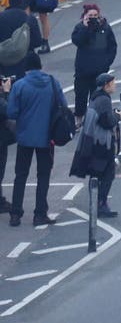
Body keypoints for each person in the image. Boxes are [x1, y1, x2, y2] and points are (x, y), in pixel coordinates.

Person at [6, 51, 68, 226]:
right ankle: (40, 213)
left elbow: (11, 112)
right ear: (40, 66)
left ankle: (15, 214)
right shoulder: (52, 83)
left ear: (26, 68)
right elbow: (63, 105)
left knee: (20, 175)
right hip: (47, 138)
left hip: (25, 137)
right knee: (43, 176)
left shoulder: (19, 86)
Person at [68, 72, 121, 218]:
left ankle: (96, 202)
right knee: (108, 174)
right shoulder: (104, 99)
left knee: (96, 173)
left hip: (93, 141)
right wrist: (118, 116)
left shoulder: (96, 97)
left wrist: (112, 114)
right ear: (106, 85)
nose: (115, 85)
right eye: (113, 82)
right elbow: (107, 122)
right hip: (102, 143)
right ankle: (101, 204)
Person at [70, 3, 118, 120]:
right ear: (85, 16)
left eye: (95, 15)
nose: (93, 17)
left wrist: (106, 63)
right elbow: (77, 41)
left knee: (98, 97)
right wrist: (85, 28)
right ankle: (79, 119)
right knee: (80, 97)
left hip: (99, 72)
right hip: (83, 71)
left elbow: (112, 46)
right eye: (90, 15)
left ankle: (97, 119)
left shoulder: (105, 27)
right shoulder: (80, 27)